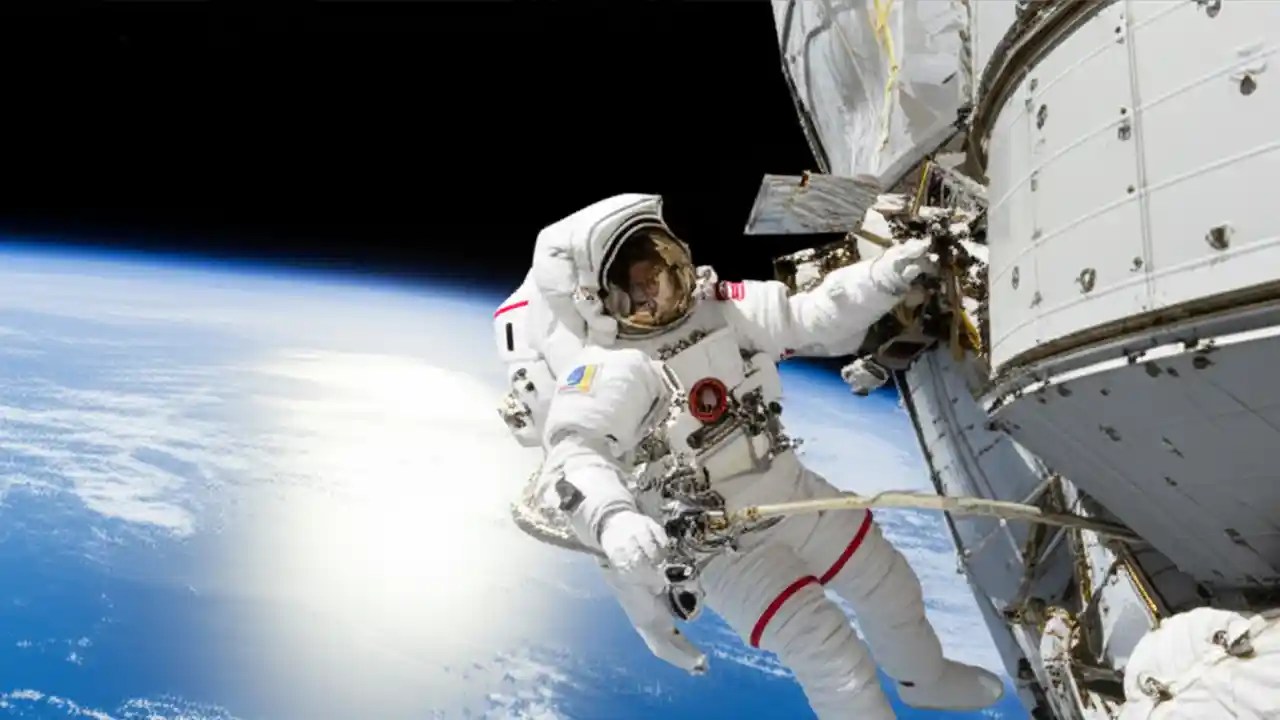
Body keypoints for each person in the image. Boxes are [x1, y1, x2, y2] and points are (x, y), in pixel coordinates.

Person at [495, 193, 1004, 719]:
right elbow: (575, 450)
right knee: (828, 652)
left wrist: (882, 278)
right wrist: (613, 519)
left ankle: (926, 679)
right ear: (599, 302)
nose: (656, 293)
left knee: (889, 583)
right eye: (635, 288)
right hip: (722, 545)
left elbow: (813, 315)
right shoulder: (612, 367)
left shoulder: (722, 309)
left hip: (789, 491)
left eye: (660, 272)